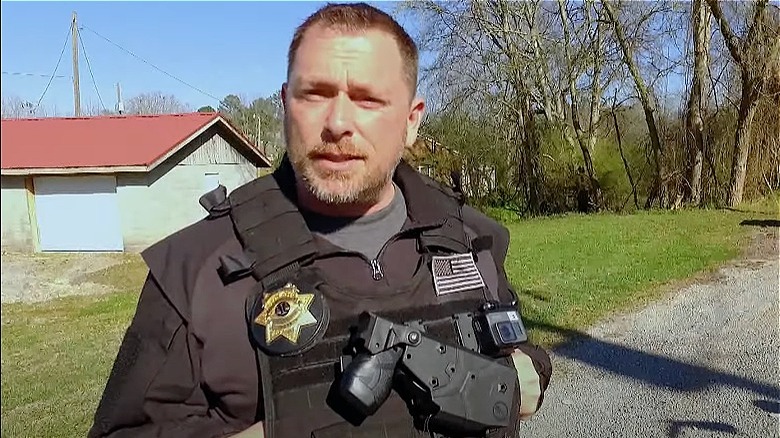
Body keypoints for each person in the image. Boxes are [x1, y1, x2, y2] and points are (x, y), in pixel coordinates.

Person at [88, 3, 552, 437]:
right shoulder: (197, 269)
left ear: (412, 121)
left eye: (368, 99)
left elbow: (515, 349)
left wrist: (532, 369)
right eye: (316, 94)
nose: (337, 122)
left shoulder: (468, 236)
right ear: (286, 103)